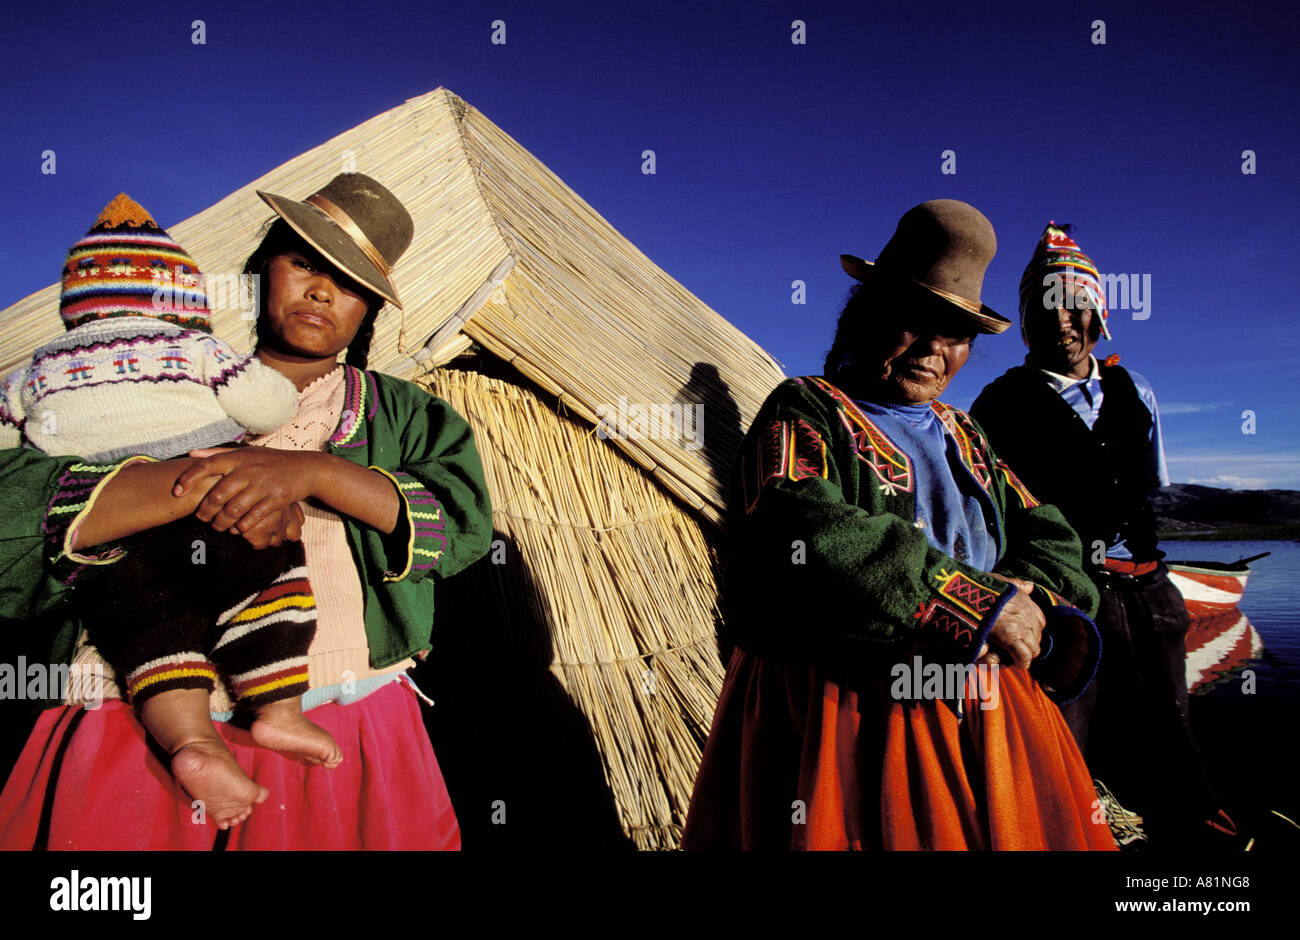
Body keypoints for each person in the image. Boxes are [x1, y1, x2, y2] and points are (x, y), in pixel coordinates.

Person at [0, 173, 493, 849]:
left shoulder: (406, 415)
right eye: (303, 263)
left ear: (368, 309)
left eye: (348, 284)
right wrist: (191, 483)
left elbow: (462, 524)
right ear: (263, 272)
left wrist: (311, 472)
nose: (321, 291)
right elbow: (14, 504)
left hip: (339, 710)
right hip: (135, 716)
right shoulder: (163, 376)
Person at [682, 200, 1115, 851]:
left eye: (957, 333)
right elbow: (797, 523)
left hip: (989, 711)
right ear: (869, 312)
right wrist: (968, 600)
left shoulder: (963, 435)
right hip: (846, 715)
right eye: (916, 321)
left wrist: (1024, 598)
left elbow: (1053, 538)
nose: (934, 350)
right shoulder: (809, 410)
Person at [0, 193, 341, 830]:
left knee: (149, 632)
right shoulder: (197, 351)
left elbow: (6, 440)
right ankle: (279, 711)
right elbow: (268, 407)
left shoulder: (35, 368)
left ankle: (194, 743)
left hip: (108, 536)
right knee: (270, 579)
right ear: (182, 297)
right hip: (208, 505)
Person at [969, 222, 1231, 846]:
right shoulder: (997, 405)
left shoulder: (1134, 390)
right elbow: (989, 509)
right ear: (1028, 322)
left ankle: (1195, 835)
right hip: (1064, 593)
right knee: (1065, 724)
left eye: (1078, 305)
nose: (1065, 321)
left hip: (1147, 586)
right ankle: (1067, 832)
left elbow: (1152, 484)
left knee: (1171, 718)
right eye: (1047, 308)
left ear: (1099, 314)